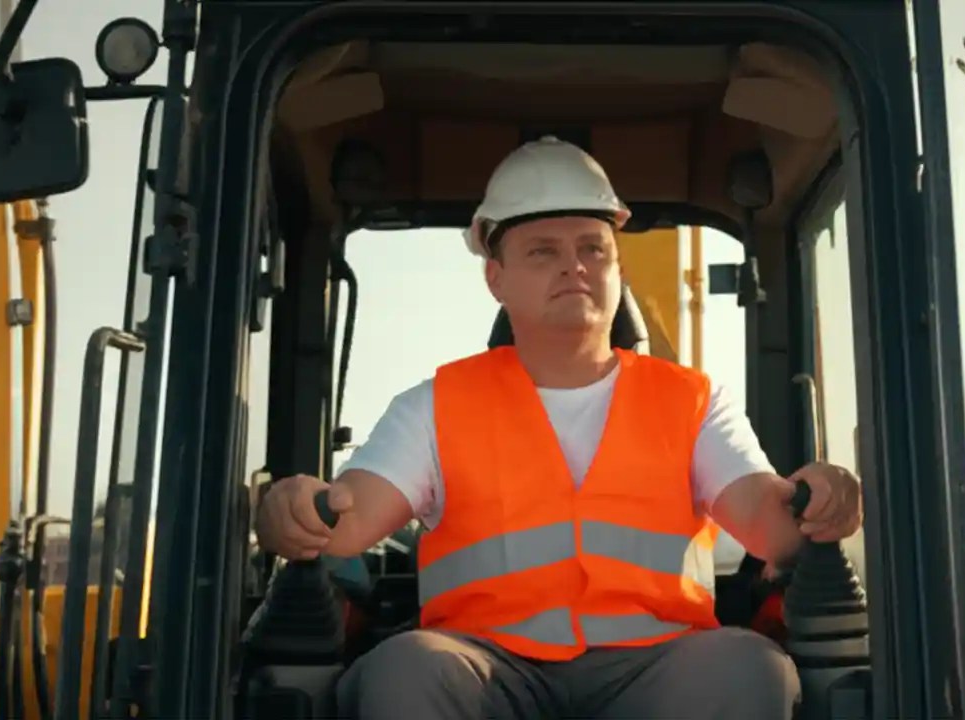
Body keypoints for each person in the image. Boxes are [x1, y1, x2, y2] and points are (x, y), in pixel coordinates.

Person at [254, 136, 863, 720]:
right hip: (485, 664)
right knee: (407, 669)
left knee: (749, 668)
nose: (574, 266)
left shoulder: (694, 402)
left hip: (657, 663)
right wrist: (295, 510)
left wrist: (822, 501)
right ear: (495, 278)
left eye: (593, 248)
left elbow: (768, 520)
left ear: (617, 268)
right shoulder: (434, 406)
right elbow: (347, 518)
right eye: (543, 251)